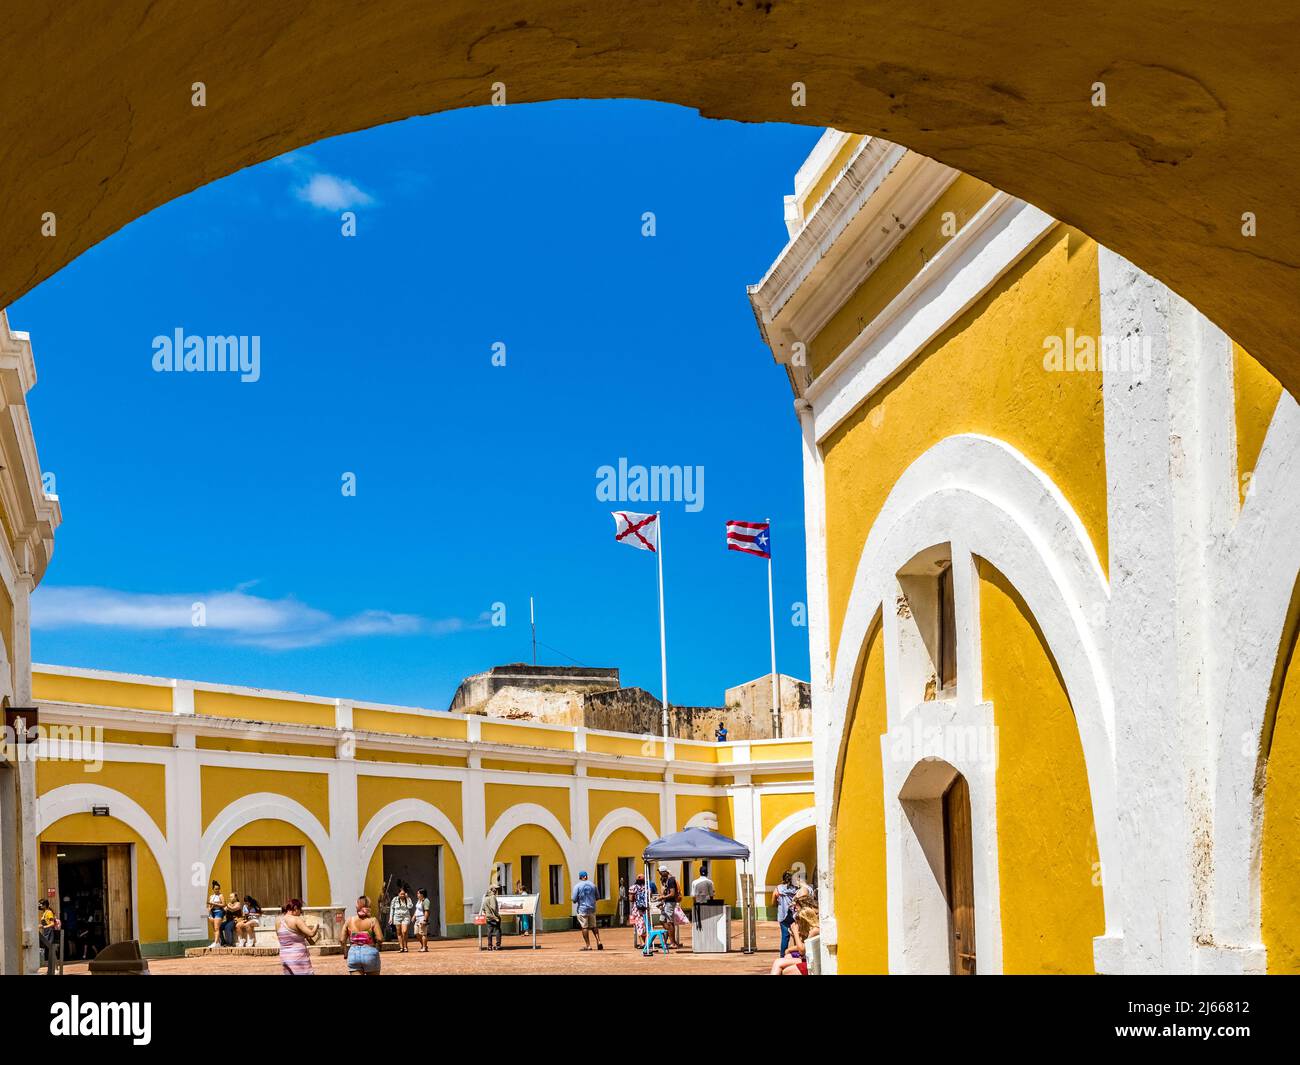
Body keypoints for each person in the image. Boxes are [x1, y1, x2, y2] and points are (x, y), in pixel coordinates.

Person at [275, 898, 319, 975]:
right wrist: (316, 926)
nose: (300, 913)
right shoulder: (296, 919)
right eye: (300, 910)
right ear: (295, 908)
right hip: (298, 957)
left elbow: (284, 937)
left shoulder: (278, 921)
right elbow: (311, 933)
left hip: (285, 956)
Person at [343, 895, 383, 974]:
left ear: (357, 906)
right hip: (370, 953)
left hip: (353, 954)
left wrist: (345, 952)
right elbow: (380, 938)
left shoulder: (349, 920)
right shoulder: (372, 921)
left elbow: (341, 940)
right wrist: (377, 948)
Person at [571, 870, 602, 951]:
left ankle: (588, 945)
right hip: (592, 908)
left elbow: (574, 899)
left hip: (582, 909)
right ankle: (598, 941)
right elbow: (598, 897)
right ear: (586, 876)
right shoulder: (593, 885)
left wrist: (578, 900)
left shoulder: (577, 886)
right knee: (594, 926)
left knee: (584, 927)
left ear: (580, 877)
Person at [772, 871, 798, 957]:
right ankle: (798, 953)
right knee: (796, 935)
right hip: (794, 915)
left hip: (783, 915)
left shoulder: (778, 888)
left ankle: (782, 956)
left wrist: (778, 902)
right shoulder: (796, 889)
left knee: (785, 936)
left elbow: (772, 902)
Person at [657, 865, 683, 949]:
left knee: (669, 922)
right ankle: (672, 939)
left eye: (660, 872)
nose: (660, 874)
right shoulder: (666, 880)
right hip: (666, 903)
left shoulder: (671, 880)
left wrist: (662, 898)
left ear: (664, 872)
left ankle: (673, 943)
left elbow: (672, 893)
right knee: (662, 920)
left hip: (670, 903)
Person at [389, 887, 414, 952]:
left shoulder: (407, 899)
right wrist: (390, 918)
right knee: (399, 932)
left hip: (405, 917)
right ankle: (401, 947)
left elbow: (410, 906)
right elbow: (392, 908)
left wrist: (407, 898)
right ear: (398, 894)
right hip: (397, 917)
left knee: (404, 931)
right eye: (401, 894)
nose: (402, 895)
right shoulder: (395, 899)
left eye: (403, 894)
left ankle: (406, 946)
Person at [37, 899, 59, 971]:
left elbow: (52, 924)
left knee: (51, 950)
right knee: (51, 950)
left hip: (50, 933)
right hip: (46, 932)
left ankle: (54, 969)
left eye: (41, 904)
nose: (39, 906)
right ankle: (55, 968)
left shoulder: (48, 912)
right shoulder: (44, 913)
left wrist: (43, 927)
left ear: (45, 905)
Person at [631, 874, 649, 949]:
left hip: (636, 909)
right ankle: (645, 942)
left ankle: (642, 943)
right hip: (645, 909)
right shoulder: (647, 887)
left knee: (638, 925)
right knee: (644, 925)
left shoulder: (633, 887)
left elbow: (631, 899)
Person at [481, 884, 502, 950]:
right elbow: (493, 907)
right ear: (493, 889)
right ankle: (498, 945)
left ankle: (489, 946)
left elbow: (483, 908)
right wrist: (496, 916)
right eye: (495, 889)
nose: (496, 890)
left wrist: (488, 914)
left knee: (489, 932)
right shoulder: (493, 897)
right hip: (494, 917)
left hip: (488, 917)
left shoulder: (486, 897)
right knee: (497, 930)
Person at [207, 880, 225, 948]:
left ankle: (216, 942)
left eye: (218, 889)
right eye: (215, 889)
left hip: (218, 912)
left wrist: (214, 904)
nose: (217, 890)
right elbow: (209, 905)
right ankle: (217, 941)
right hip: (212, 913)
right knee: (214, 928)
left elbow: (224, 904)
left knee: (217, 928)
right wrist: (209, 908)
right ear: (213, 889)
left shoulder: (221, 895)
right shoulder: (211, 896)